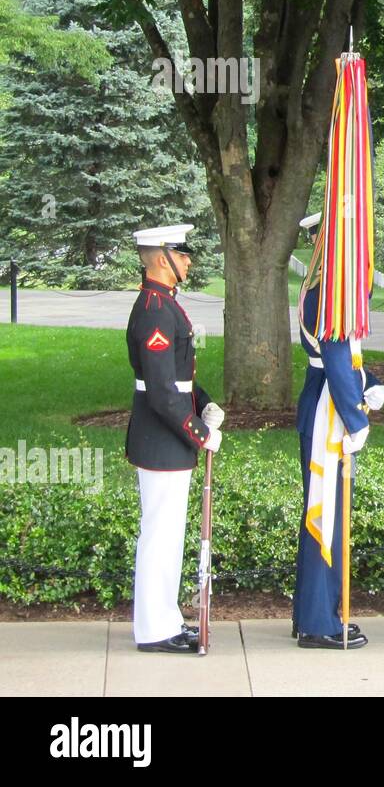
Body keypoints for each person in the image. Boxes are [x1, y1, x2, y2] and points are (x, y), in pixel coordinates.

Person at [292, 212, 384, 650]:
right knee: (324, 515)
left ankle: (314, 613)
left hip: (330, 396)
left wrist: (369, 385)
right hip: (329, 406)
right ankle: (318, 623)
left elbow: (348, 357)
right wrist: (357, 417)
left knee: (328, 514)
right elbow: (333, 357)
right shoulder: (329, 293)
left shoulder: (331, 290)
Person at [126, 223, 223, 654]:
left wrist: (203, 403)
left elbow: (178, 380)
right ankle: (153, 629)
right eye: (181, 254)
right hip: (162, 438)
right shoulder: (153, 309)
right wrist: (199, 433)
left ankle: (165, 619)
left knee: (168, 534)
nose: (188, 260)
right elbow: (162, 393)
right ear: (162, 258)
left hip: (169, 436)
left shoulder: (165, 304)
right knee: (159, 535)